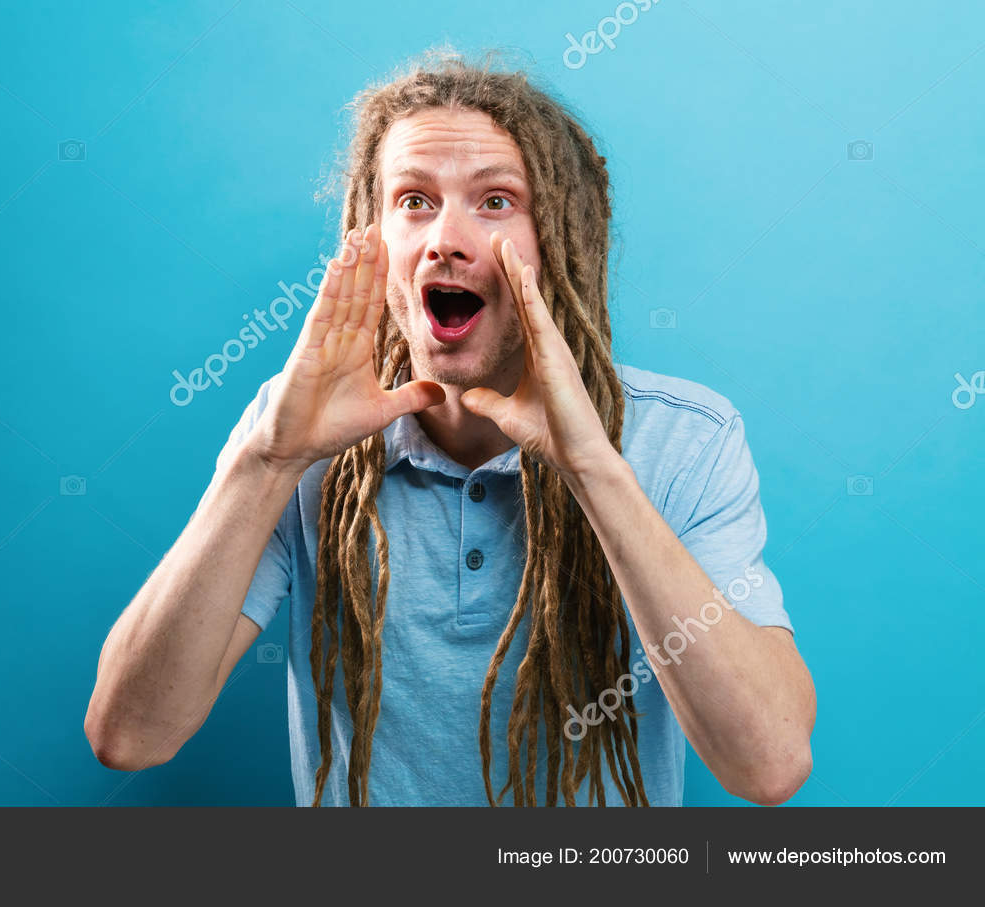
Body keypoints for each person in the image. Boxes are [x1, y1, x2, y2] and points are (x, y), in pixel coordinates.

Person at [84, 49, 815, 807]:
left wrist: (593, 469)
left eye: (496, 201)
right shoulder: (298, 433)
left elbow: (769, 765)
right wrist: (268, 460)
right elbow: (129, 735)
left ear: (562, 239)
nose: (446, 239)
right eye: (414, 200)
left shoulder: (687, 440)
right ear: (372, 238)